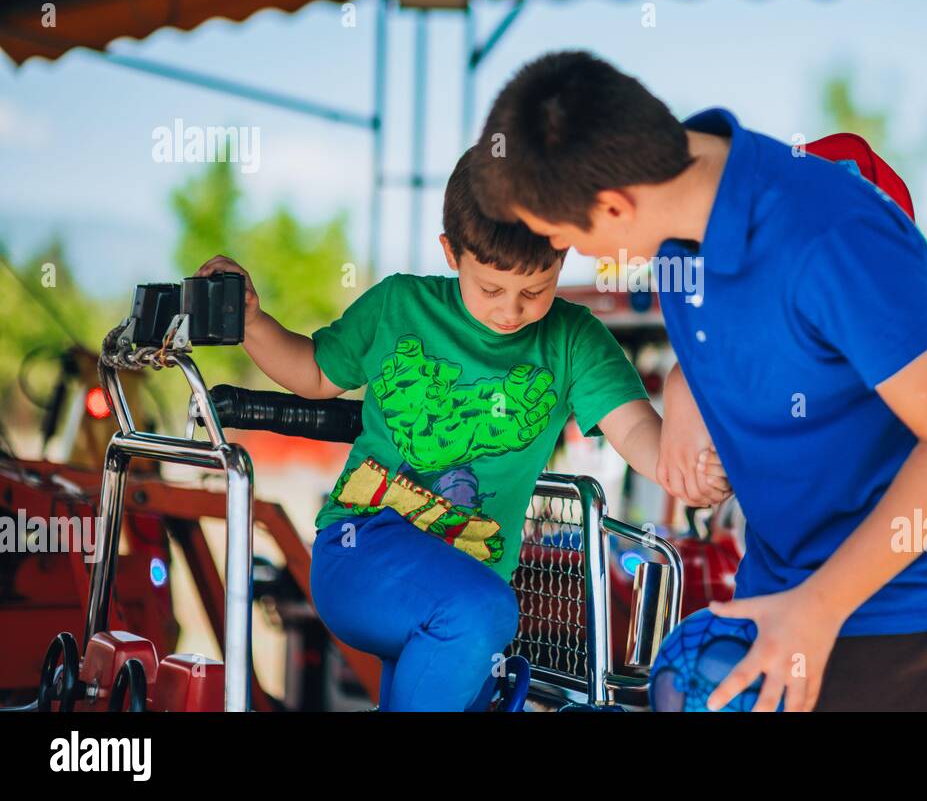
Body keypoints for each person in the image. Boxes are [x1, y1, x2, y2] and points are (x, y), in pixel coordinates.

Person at [468, 50, 927, 711]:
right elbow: (758, 341)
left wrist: (818, 607)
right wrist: (684, 389)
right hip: (781, 579)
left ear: (614, 205)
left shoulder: (830, 236)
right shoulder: (679, 228)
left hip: (913, 599)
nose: (577, 257)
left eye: (564, 236)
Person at [193, 149, 729, 711]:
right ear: (450, 253)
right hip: (363, 550)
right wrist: (251, 322)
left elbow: (636, 429)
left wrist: (683, 467)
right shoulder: (400, 304)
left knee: (470, 644)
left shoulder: (574, 340)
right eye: (491, 289)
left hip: (464, 583)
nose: (511, 312)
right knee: (486, 613)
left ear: (563, 255)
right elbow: (313, 373)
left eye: (535, 290)